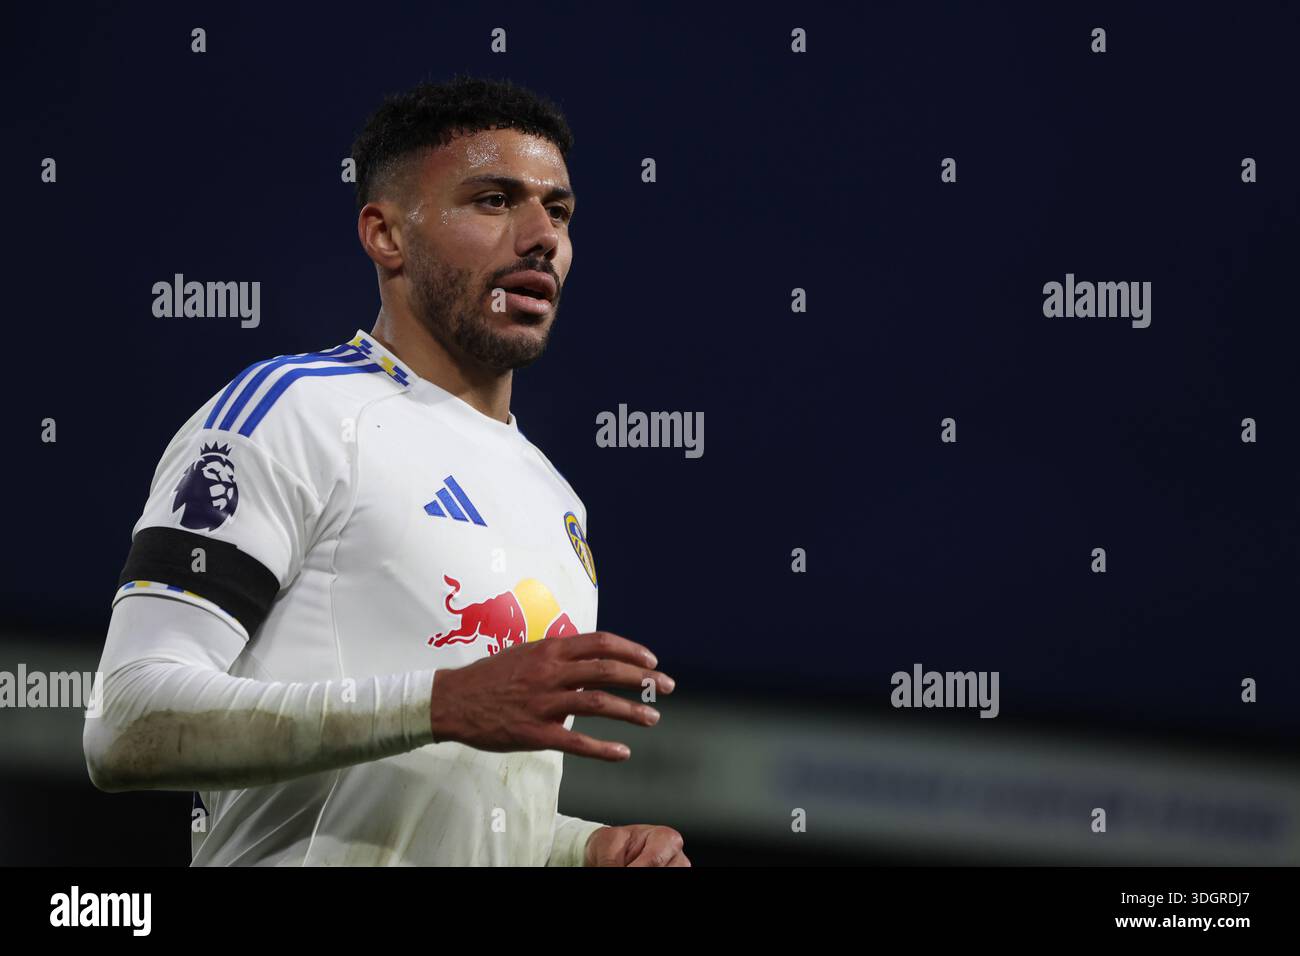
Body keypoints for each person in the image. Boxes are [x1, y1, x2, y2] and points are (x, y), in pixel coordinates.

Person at [82, 74, 688, 867]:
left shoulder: (556, 500)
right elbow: (126, 725)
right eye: (494, 200)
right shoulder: (291, 412)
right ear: (386, 236)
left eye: (559, 210)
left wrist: (582, 848)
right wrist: (444, 702)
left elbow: (435, 808)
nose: (541, 235)